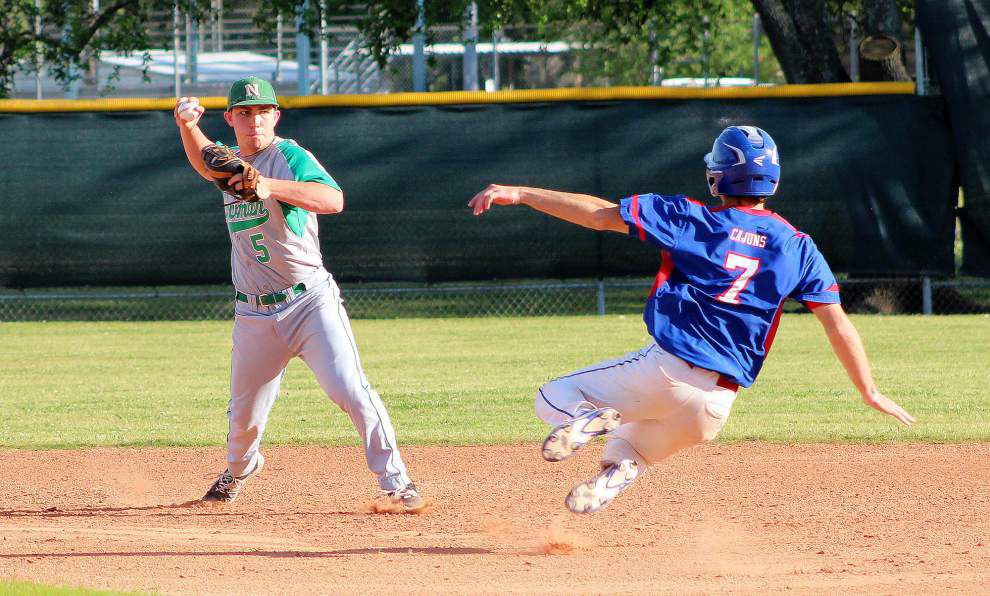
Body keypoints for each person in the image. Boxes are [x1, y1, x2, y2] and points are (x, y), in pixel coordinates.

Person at [468, 125, 915, 514]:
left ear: (719, 174)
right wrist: (869, 391)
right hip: (714, 408)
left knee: (552, 397)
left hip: (664, 368)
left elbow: (600, 215)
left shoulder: (692, 218)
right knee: (630, 446)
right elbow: (837, 323)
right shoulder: (798, 245)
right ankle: (612, 479)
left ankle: (585, 414)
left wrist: (523, 194)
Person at [173, 76, 423, 510]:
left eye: (263, 111)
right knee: (243, 424)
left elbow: (332, 199)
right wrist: (186, 124)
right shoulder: (230, 162)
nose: (254, 120)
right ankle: (239, 468)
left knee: (350, 391)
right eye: (245, 113)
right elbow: (205, 162)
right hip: (253, 314)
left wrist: (271, 187)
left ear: (276, 115)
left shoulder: (288, 155)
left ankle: (397, 481)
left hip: (309, 302)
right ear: (230, 117)